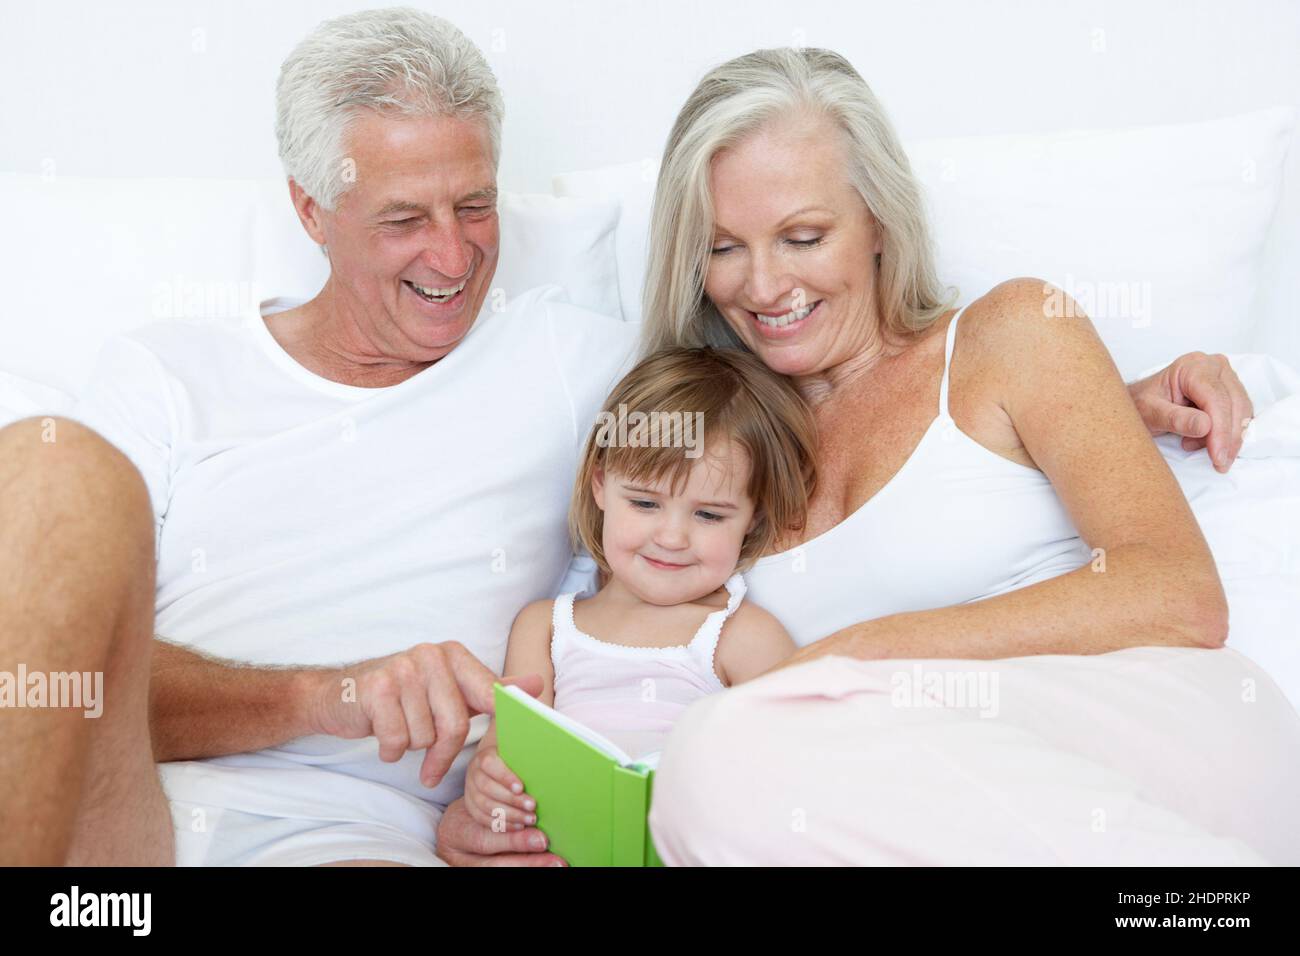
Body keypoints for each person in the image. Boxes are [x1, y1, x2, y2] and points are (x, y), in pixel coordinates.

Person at [0, 10, 1264, 867]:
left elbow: (1155, 576)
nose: (451, 259)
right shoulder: (173, 369)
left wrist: (1129, 389)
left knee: (732, 756)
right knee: (48, 468)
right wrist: (336, 704)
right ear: (308, 211)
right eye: (724, 245)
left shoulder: (983, 336)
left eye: (475, 205)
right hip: (130, 825)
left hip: (368, 841)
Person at [623, 47, 1300, 865]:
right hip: (905, 798)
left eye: (802, 236)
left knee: (724, 757)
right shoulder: (705, 450)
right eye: (724, 247)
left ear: (877, 220)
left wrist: (854, 655)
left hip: (1151, 729)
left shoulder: (1009, 335)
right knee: (717, 770)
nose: (764, 286)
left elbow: (1181, 597)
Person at [461, 347, 814, 833]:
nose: (671, 537)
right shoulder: (543, 627)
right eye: (645, 503)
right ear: (601, 485)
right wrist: (488, 782)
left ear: (753, 516)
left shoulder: (743, 636)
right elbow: (506, 747)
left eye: (709, 514)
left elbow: (799, 764)